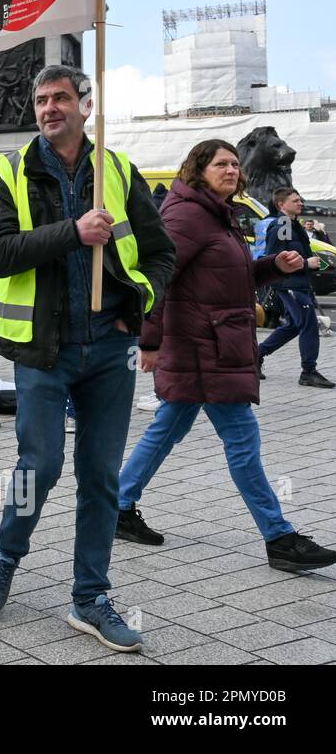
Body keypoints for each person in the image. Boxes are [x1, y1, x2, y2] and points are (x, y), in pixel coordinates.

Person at [0, 64, 175, 653]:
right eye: (41, 99)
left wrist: (139, 309)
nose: (49, 107)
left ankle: (90, 597)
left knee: (101, 476)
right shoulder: (7, 172)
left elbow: (162, 252)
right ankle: (7, 553)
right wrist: (73, 231)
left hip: (108, 346)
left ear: (86, 106)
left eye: (61, 97)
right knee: (39, 464)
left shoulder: (115, 168)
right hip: (43, 349)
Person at [115, 140, 336, 572]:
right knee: (242, 442)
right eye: (221, 164)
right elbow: (159, 276)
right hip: (203, 346)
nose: (232, 170)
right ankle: (280, 538)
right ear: (199, 169)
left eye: (235, 163)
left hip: (216, 344)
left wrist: (275, 266)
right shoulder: (186, 214)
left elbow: (230, 275)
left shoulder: (220, 213)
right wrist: (150, 340)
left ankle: (117, 507)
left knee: (165, 432)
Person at [257, 187, 333, 388]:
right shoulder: (282, 225)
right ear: (281, 204)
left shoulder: (292, 224)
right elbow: (275, 258)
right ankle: (309, 371)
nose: (301, 203)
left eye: (300, 200)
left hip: (298, 283)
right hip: (290, 284)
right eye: (295, 200)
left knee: (293, 325)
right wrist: (306, 264)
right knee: (308, 324)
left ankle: (256, 354)